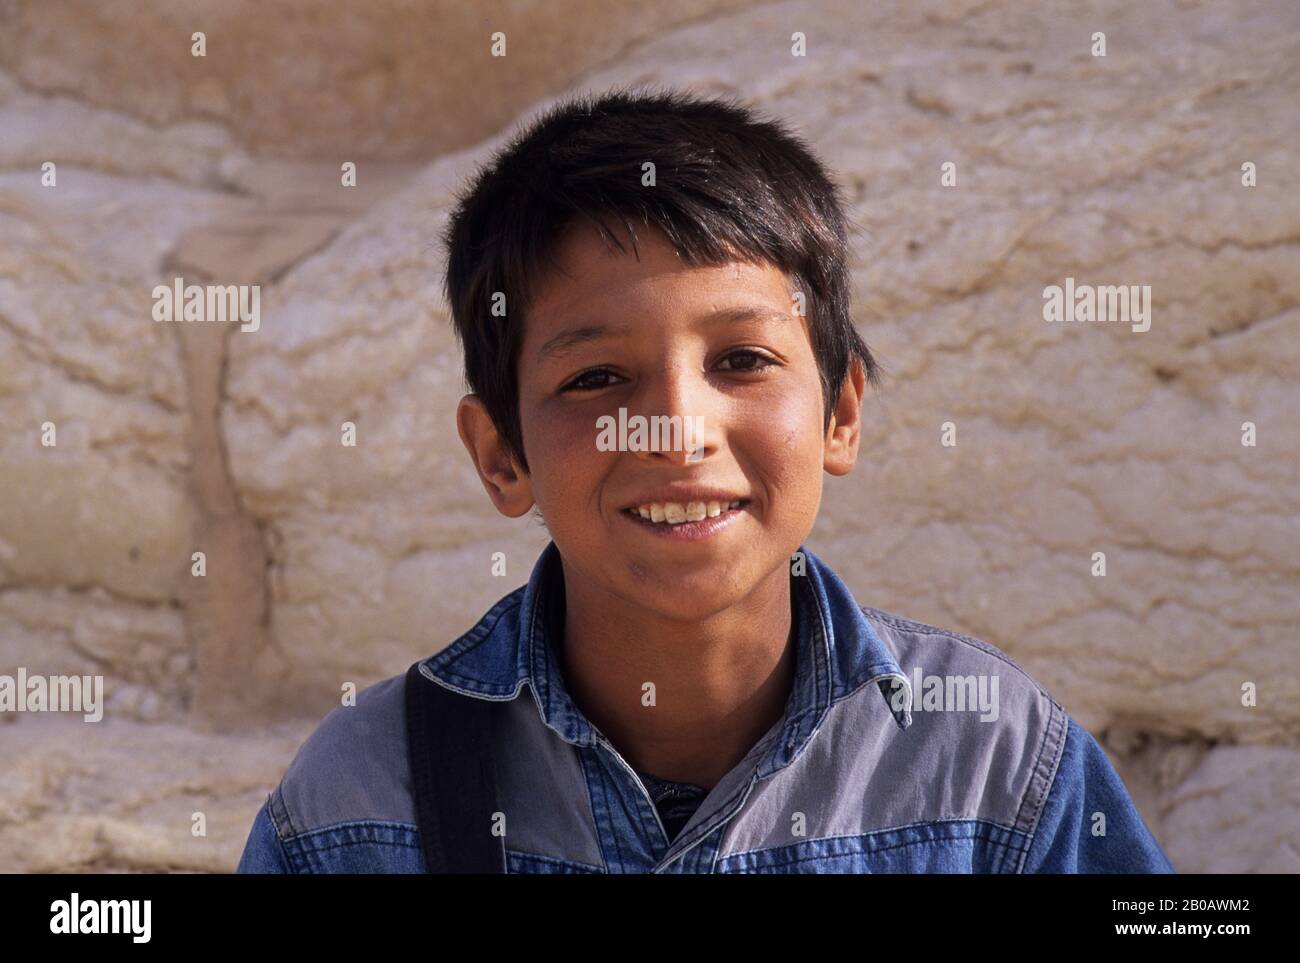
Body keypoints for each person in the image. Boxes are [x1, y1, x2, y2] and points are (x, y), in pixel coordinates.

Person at [237, 86, 1175, 874]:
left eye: (742, 359)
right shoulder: (363, 802)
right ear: (501, 455)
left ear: (842, 413)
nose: (678, 429)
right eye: (596, 378)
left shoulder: (993, 765)